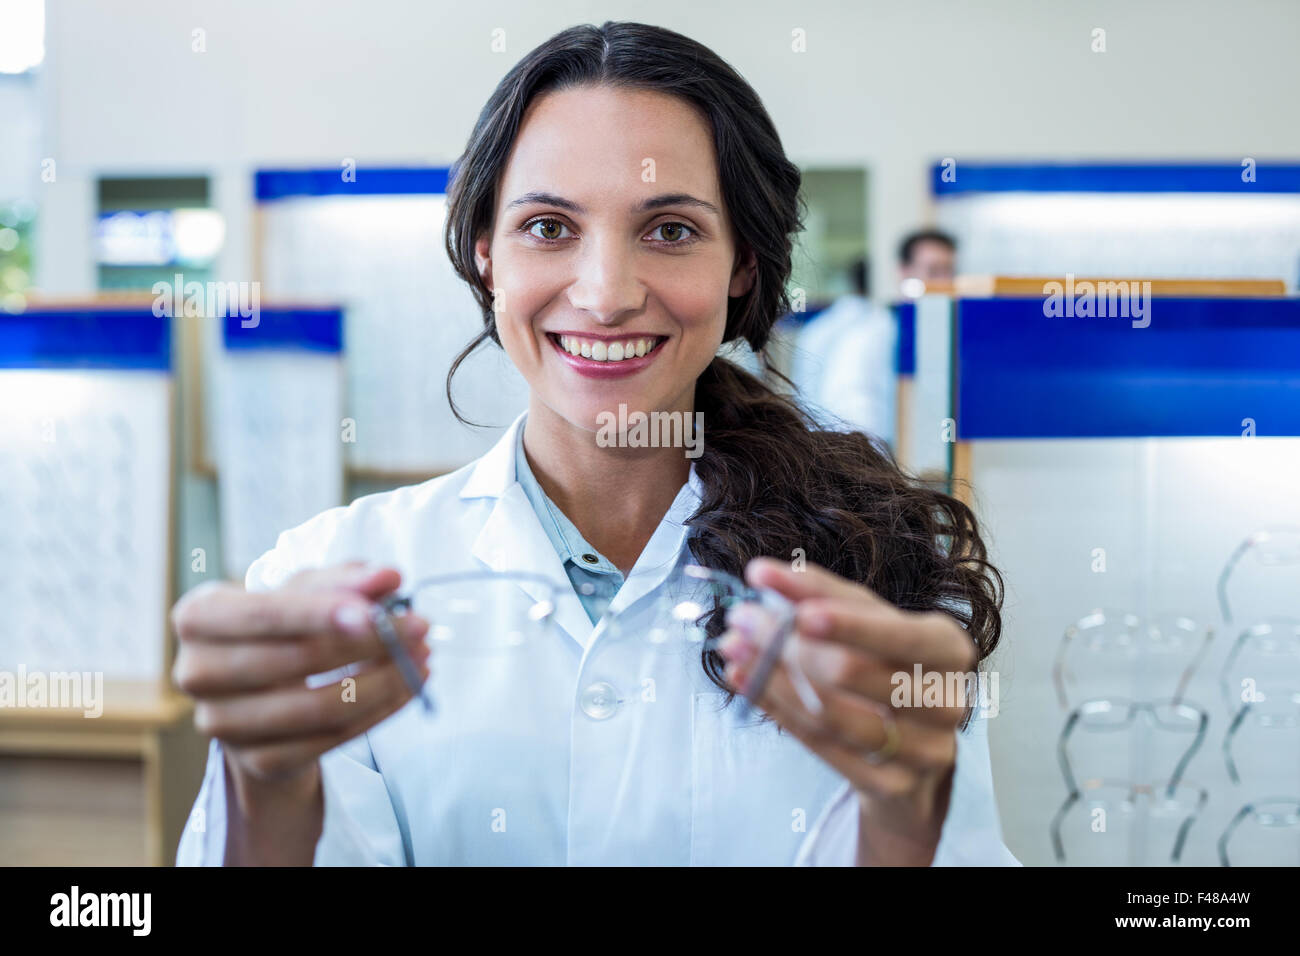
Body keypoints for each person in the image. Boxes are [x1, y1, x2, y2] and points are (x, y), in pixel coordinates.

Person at [172, 21, 1017, 866]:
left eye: (671, 230)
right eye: (548, 227)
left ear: (743, 269)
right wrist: (263, 791)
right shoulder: (332, 576)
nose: (606, 294)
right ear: (485, 258)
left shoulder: (883, 576)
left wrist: (907, 824)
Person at [790, 257, 898, 444]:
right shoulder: (875, 326)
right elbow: (856, 402)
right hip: (856, 440)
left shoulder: (819, 326)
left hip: (815, 434)